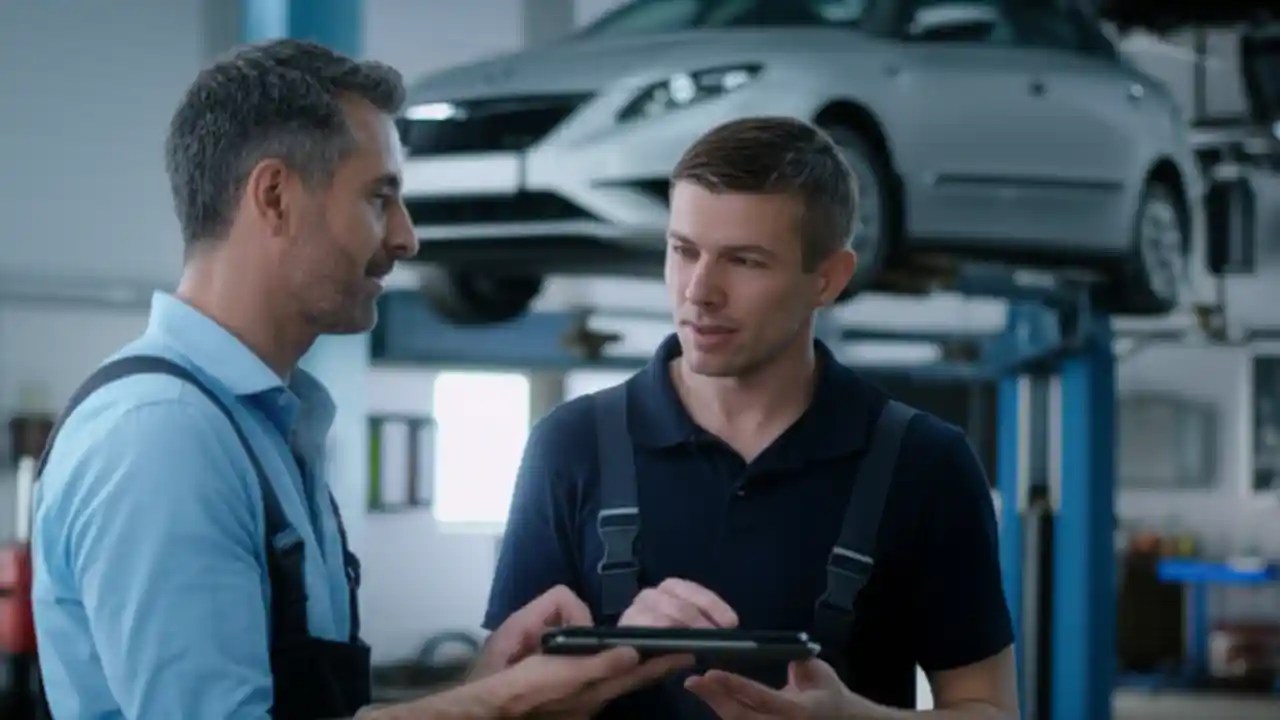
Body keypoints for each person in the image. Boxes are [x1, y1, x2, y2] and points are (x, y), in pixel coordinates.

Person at [31, 38, 687, 720]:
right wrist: (497, 707)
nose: (406, 239)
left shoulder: (259, 427)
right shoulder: (165, 436)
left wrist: (481, 683)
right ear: (275, 196)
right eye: (379, 199)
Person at [483, 116, 1021, 719]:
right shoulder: (572, 445)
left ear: (828, 279)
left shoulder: (925, 463)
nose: (699, 291)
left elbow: (990, 709)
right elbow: (490, 699)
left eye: (744, 261)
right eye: (684, 251)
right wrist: (607, 656)